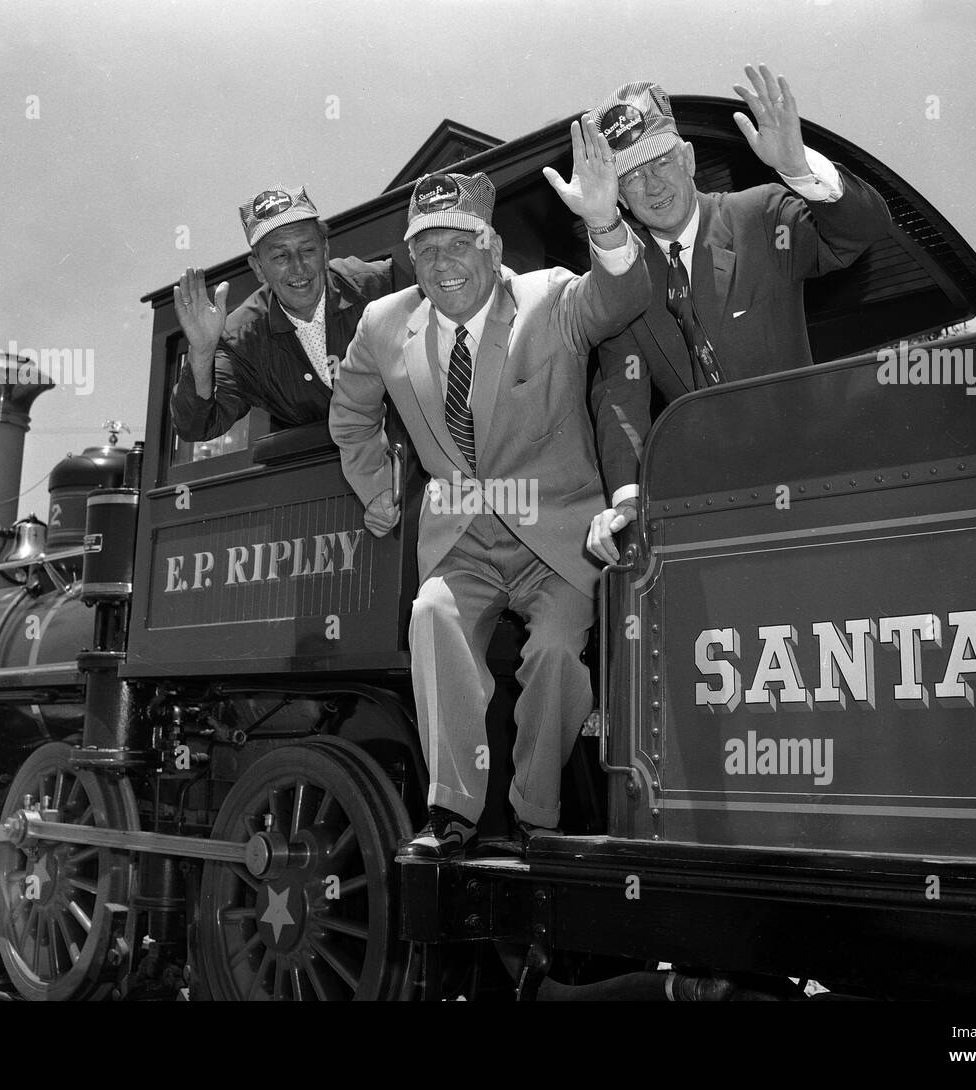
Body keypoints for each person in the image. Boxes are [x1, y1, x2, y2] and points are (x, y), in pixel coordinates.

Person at [329, 117, 650, 858]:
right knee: (431, 617)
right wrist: (378, 488)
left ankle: (537, 817)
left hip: (557, 539)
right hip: (464, 539)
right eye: (426, 249)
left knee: (557, 657)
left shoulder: (550, 298)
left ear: (492, 247)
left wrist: (604, 222)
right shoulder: (384, 324)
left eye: (459, 243)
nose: (443, 264)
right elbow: (349, 411)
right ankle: (451, 813)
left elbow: (621, 298)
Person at [586, 69, 893, 562]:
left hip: (812, 482)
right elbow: (622, 398)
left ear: (686, 159)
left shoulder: (761, 215)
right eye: (632, 175)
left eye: (660, 160)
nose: (651, 184)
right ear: (618, 195)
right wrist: (628, 500)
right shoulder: (622, 279)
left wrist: (798, 168)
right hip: (712, 504)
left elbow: (862, 232)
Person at [170, 185, 393, 441]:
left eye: (308, 250)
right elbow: (195, 427)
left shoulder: (381, 284)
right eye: (280, 256)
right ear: (258, 269)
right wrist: (201, 353)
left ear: (325, 250)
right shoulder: (241, 340)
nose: (298, 268)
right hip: (321, 475)